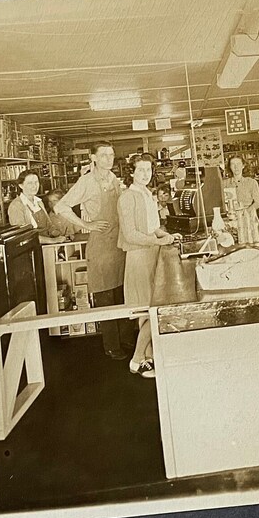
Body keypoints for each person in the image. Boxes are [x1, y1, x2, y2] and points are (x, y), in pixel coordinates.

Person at [54, 141, 130, 360]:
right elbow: (61, 207)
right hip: (101, 247)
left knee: (121, 294)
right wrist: (86, 225)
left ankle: (125, 338)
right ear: (93, 158)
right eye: (104, 155)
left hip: (118, 243)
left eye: (111, 155)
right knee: (106, 296)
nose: (109, 158)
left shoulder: (114, 179)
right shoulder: (86, 181)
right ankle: (111, 346)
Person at [118, 154, 181, 379]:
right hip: (138, 257)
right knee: (149, 310)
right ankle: (137, 359)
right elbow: (131, 234)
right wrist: (158, 240)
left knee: (148, 310)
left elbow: (153, 228)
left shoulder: (147, 194)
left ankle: (149, 358)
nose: (145, 174)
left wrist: (167, 235)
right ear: (131, 173)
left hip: (151, 254)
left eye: (148, 170)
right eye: (141, 170)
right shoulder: (127, 197)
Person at [223, 155, 259, 245]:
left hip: (248, 219)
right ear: (229, 167)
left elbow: (257, 202)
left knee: (251, 243)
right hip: (231, 220)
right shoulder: (224, 183)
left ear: (243, 165)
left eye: (238, 164)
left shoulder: (251, 182)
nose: (236, 167)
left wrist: (246, 212)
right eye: (233, 164)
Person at [7, 170, 52, 238]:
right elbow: (22, 235)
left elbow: (49, 225)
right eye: (30, 183)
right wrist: (51, 241)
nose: (34, 186)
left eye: (36, 182)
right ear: (21, 185)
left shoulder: (39, 201)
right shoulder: (16, 205)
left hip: (46, 240)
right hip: (31, 245)